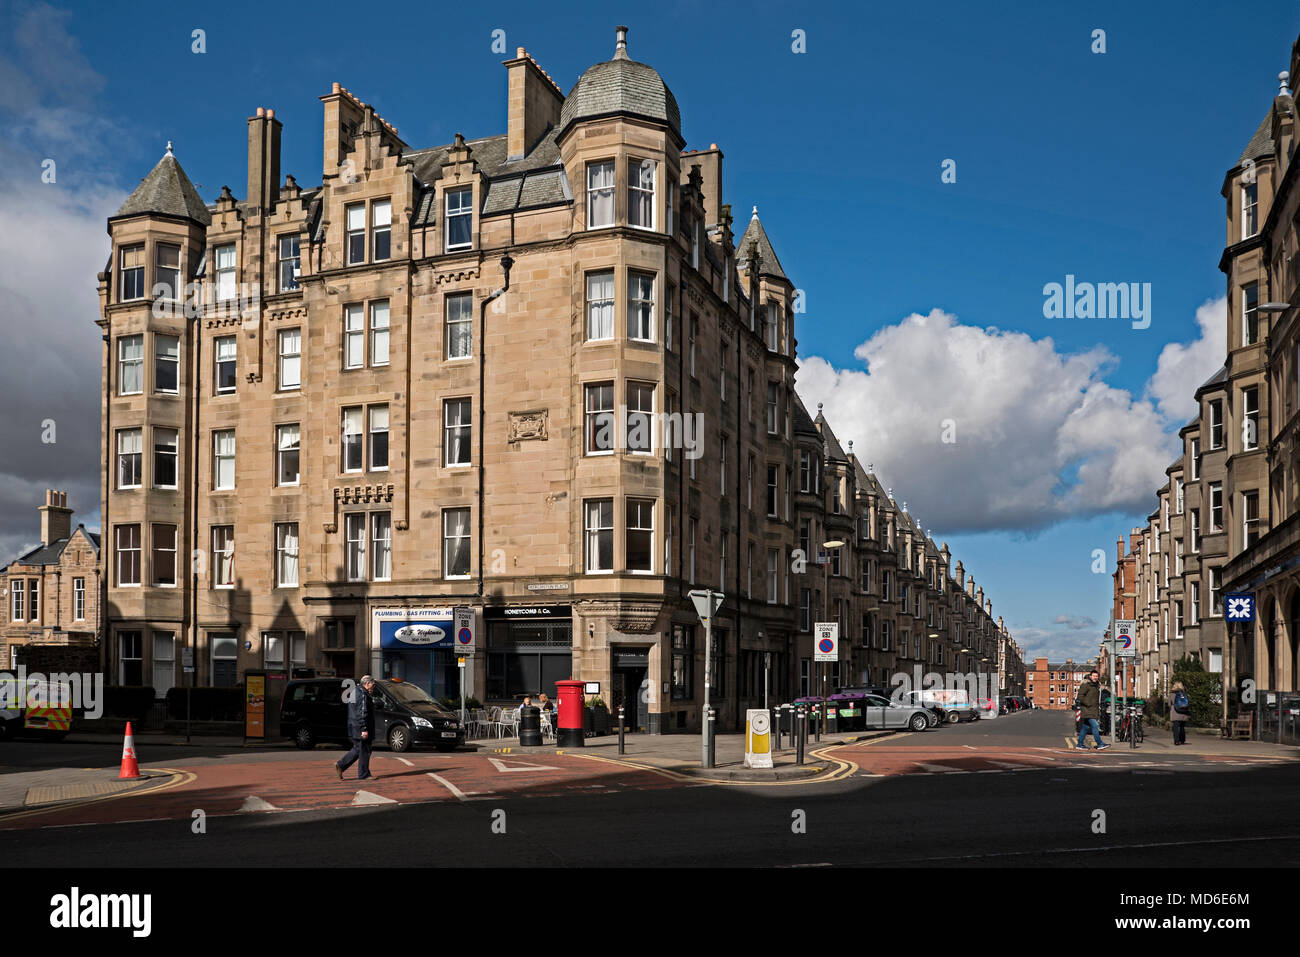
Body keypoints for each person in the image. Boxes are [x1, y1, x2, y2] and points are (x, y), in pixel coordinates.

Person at [336, 675, 376, 780]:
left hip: (354, 726)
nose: (373, 687)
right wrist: (364, 729)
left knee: (358, 749)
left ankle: (341, 765)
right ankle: (364, 774)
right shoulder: (362, 694)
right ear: (367, 684)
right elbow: (362, 713)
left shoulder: (355, 691)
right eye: (372, 684)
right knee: (365, 750)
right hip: (360, 727)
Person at [1074, 669, 1109, 751]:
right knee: (1095, 726)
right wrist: (1088, 703)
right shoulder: (1086, 685)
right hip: (1087, 709)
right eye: (1094, 676)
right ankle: (1100, 744)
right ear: (1090, 676)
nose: (1095, 677)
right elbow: (1080, 696)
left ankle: (1079, 744)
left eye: (1096, 676)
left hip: (1093, 710)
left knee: (1085, 728)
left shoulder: (1096, 685)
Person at [1169, 680, 1190, 745]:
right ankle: (1182, 740)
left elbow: (1169, 704)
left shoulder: (1172, 694)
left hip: (1175, 712)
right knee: (1182, 727)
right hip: (1183, 712)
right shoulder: (1184, 694)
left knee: (1175, 727)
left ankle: (1177, 741)